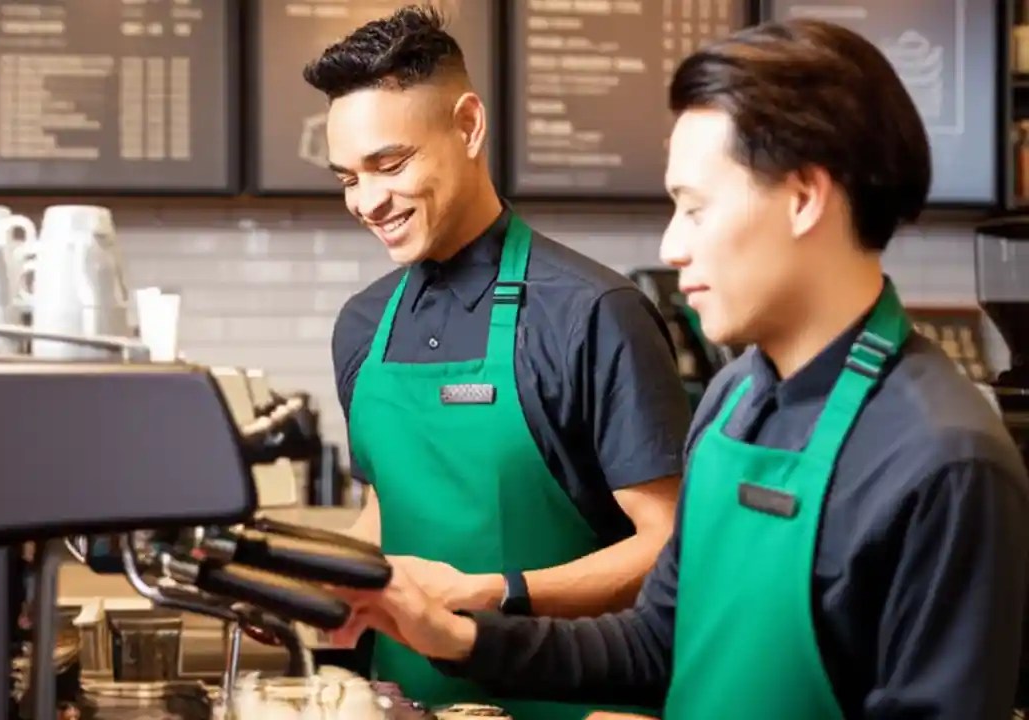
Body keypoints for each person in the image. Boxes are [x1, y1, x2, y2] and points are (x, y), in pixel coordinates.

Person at [328, 17, 1029, 720]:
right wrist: (451, 632)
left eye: (695, 208)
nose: (673, 245)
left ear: (804, 197)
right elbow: (657, 644)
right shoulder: (733, 401)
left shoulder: (949, 461)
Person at [302, 5, 693, 718]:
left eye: (390, 164)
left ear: (469, 125)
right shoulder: (362, 323)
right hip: (401, 704)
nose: (367, 200)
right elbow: (385, 511)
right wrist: (315, 584)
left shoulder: (593, 313)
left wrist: (493, 593)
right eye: (348, 177)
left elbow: (668, 546)